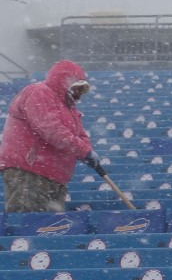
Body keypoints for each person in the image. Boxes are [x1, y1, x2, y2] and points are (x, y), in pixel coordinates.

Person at [1, 60, 100, 214]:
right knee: (30, 224)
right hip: (30, 171)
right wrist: (83, 151)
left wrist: (87, 150)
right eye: (76, 87)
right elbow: (53, 131)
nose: (79, 94)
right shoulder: (39, 92)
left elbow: (80, 134)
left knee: (49, 227)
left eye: (83, 89)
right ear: (63, 82)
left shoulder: (69, 107)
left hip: (55, 176)